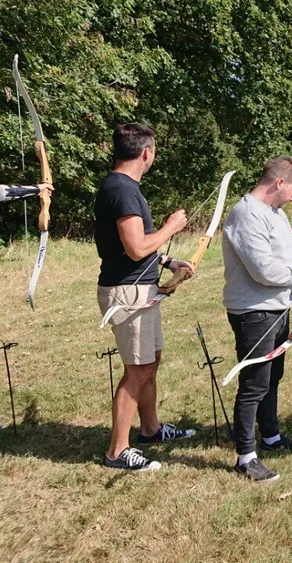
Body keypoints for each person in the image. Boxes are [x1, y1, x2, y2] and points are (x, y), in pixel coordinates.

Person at [95, 123, 196, 472]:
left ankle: (150, 430)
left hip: (141, 288)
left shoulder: (125, 187)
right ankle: (116, 451)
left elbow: (134, 245)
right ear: (146, 152)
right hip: (128, 292)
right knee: (136, 371)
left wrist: (168, 261)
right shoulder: (122, 190)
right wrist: (170, 228)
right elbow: (136, 247)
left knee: (150, 363)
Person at [222, 156, 292, 483]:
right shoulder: (246, 214)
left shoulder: (276, 214)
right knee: (253, 384)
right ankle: (245, 457)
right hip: (253, 312)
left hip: (277, 310)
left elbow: (282, 267)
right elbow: (264, 270)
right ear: (279, 183)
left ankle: (271, 437)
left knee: (272, 376)